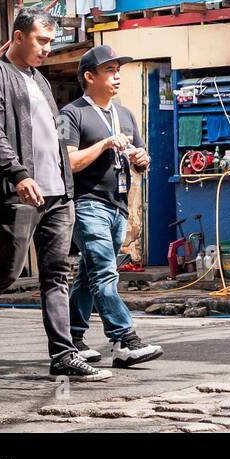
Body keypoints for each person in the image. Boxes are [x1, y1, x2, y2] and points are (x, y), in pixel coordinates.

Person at [0, 10, 109, 382]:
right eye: (41, 41)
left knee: (57, 274)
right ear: (18, 37)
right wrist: (19, 175)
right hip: (18, 192)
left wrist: (64, 181)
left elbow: (54, 137)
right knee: (6, 270)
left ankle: (63, 355)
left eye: (50, 42)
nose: (47, 49)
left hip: (58, 193)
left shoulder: (41, 82)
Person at [60, 45, 163, 368]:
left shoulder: (126, 114)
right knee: (105, 272)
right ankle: (124, 339)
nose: (117, 76)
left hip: (118, 205)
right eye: (109, 70)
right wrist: (104, 143)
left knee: (89, 274)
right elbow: (68, 162)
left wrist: (142, 160)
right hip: (87, 203)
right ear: (89, 77)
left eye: (118, 70)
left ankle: (73, 339)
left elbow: (140, 159)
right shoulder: (72, 114)